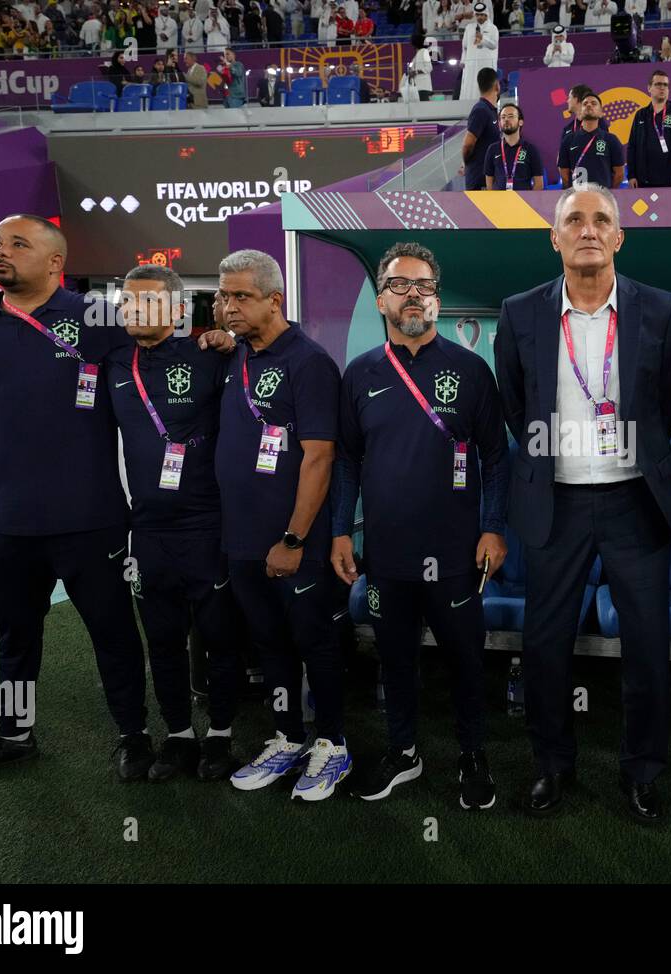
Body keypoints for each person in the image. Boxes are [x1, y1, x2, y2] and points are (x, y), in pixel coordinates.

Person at [493, 184, 671, 821]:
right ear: (554, 238)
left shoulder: (660, 310)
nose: (587, 229)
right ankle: (551, 765)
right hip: (557, 505)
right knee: (546, 646)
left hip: (636, 502)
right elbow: (516, 407)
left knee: (646, 648)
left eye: (601, 219)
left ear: (619, 236)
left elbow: (665, 404)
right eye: (573, 220)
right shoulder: (520, 312)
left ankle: (643, 772)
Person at [0, 216, 147, 785]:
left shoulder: (99, 319)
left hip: (91, 519)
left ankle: (134, 734)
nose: (1, 253)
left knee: (113, 634)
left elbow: (159, 363)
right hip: (4, 521)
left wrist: (215, 337)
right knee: (15, 636)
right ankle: (13, 736)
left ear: (56, 262)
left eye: (18, 244)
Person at [330, 242, 507, 809]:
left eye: (424, 285)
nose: (413, 294)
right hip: (387, 555)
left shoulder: (472, 370)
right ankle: (403, 752)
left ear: (437, 297)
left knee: (465, 659)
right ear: (382, 298)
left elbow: (497, 459)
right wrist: (339, 530)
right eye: (401, 284)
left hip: (456, 554)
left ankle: (472, 754)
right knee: (395, 658)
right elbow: (347, 461)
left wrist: (493, 526)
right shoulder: (359, 375)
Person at [214, 249, 349, 802]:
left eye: (241, 297)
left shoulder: (309, 361)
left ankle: (334, 746)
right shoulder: (233, 356)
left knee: (315, 642)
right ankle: (287, 738)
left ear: (276, 299)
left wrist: (292, 539)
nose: (229, 307)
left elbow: (319, 457)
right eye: (223, 296)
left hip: (295, 543)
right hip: (241, 540)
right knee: (269, 644)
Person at [105, 264, 244, 783]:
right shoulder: (113, 363)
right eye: (129, 302)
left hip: (207, 526)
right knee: (161, 640)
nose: (135, 310)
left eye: (148, 301)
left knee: (218, 638)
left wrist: (226, 336)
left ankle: (221, 736)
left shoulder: (211, 357)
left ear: (178, 309)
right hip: (148, 531)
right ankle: (180, 735)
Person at [627, 68, 671, 188]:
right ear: (649, 88)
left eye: (665, 85)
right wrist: (631, 175)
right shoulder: (641, 115)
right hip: (644, 180)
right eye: (658, 84)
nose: (662, 88)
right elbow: (632, 146)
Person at [557, 90, 625, 188]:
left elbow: (619, 173)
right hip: (577, 196)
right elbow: (564, 174)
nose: (589, 105)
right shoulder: (568, 140)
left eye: (594, 103)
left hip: (602, 197)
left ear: (601, 113)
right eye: (585, 104)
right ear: (580, 113)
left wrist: (608, 192)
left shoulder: (611, 140)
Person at [485, 102, 544, 189]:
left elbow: (539, 184)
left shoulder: (531, 150)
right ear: (499, 123)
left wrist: (529, 202)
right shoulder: (492, 149)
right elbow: (489, 183)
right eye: (503, 117)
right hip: (498, 202)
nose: (506, 119)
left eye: (511, 116)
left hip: (523, 201)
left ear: (520, 122)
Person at [461, 66, 499, 190]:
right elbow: (467, 144)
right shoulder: (481, 110)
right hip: (479, 181)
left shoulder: (491, 111)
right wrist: (468, 165)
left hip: (490, 178)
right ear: (497, 86)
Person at [458, 1, 497, 101]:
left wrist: (482, 39)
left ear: (486, 15)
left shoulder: (493, 28)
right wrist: (463, 61)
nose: (479, 17)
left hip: (485, 63)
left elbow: (494, 45)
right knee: (470, 86)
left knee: (485, 85)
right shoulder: (469, 28)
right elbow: (465, 47)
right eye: (477, 15)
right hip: (471, 64)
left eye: (482, 15)